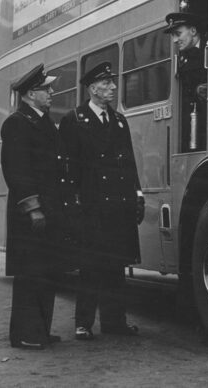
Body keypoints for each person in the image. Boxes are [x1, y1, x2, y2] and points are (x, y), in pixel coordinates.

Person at [59, 62, 144, 341]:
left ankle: (114, 321)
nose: (113, 88)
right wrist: (71, 204)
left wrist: (138, 194)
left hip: (118, 206)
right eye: (107, 84)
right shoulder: (75, 119)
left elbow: (129, 163)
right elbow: (68, 167)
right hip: (91, 206)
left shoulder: (119, 121)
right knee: (90, 267)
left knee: (116, 267)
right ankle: (83, 323)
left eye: (112, 83)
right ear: (93, 88)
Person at [0, 64, 80, 350]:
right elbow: (18, 171)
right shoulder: (17, 122)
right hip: (31, 214)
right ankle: (25, 334)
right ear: (31, 93)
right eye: (47, 89)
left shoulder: (43, 121)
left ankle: (41, 330)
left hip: (50, 211)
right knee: (30, 274)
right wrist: (33, 207)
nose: (51, 93)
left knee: (47, 272)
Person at [164, 11, 207, 150]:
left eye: (178, 34)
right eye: (173, 36)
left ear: (193, 31)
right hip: (193, 121)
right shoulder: (182, 58)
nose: (175, 40)